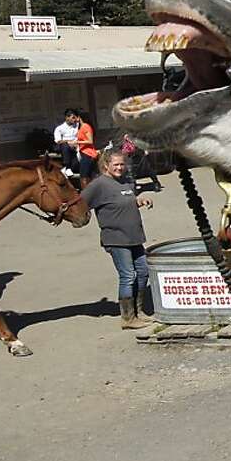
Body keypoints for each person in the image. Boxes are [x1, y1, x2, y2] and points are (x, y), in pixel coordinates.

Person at [81, 149, 154, 329]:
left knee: (144, 271)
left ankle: (138, 311)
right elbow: (81, 204)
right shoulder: (98, 185)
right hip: (115, 238)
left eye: (122, 164)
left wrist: (139, 200)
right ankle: (128, 318)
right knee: (128, 275)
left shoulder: (127, 182)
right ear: (106, 165)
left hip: (135, 237)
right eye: (116, 165)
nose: (120, 168)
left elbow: (125, 199)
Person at [53, 108, 81, 177]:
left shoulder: (77, 125)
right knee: (65, 145)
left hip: (76, 146)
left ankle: (66, 169)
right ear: (67, 117)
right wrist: (69, 142)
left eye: (75, 118)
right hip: (65, 147)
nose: (74, 120)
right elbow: (58, 141)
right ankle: (67, 167)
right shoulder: (59, 128)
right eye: (73, 118)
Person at [74, 110, 98, 187]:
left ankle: (86, 194)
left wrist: (77, 142)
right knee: (87, 175)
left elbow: (90, 141)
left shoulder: (85, 126)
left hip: (88, 153)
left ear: (79, 117)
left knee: (84, 176)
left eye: (75, 117)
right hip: (84, 153)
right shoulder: (81, 127)